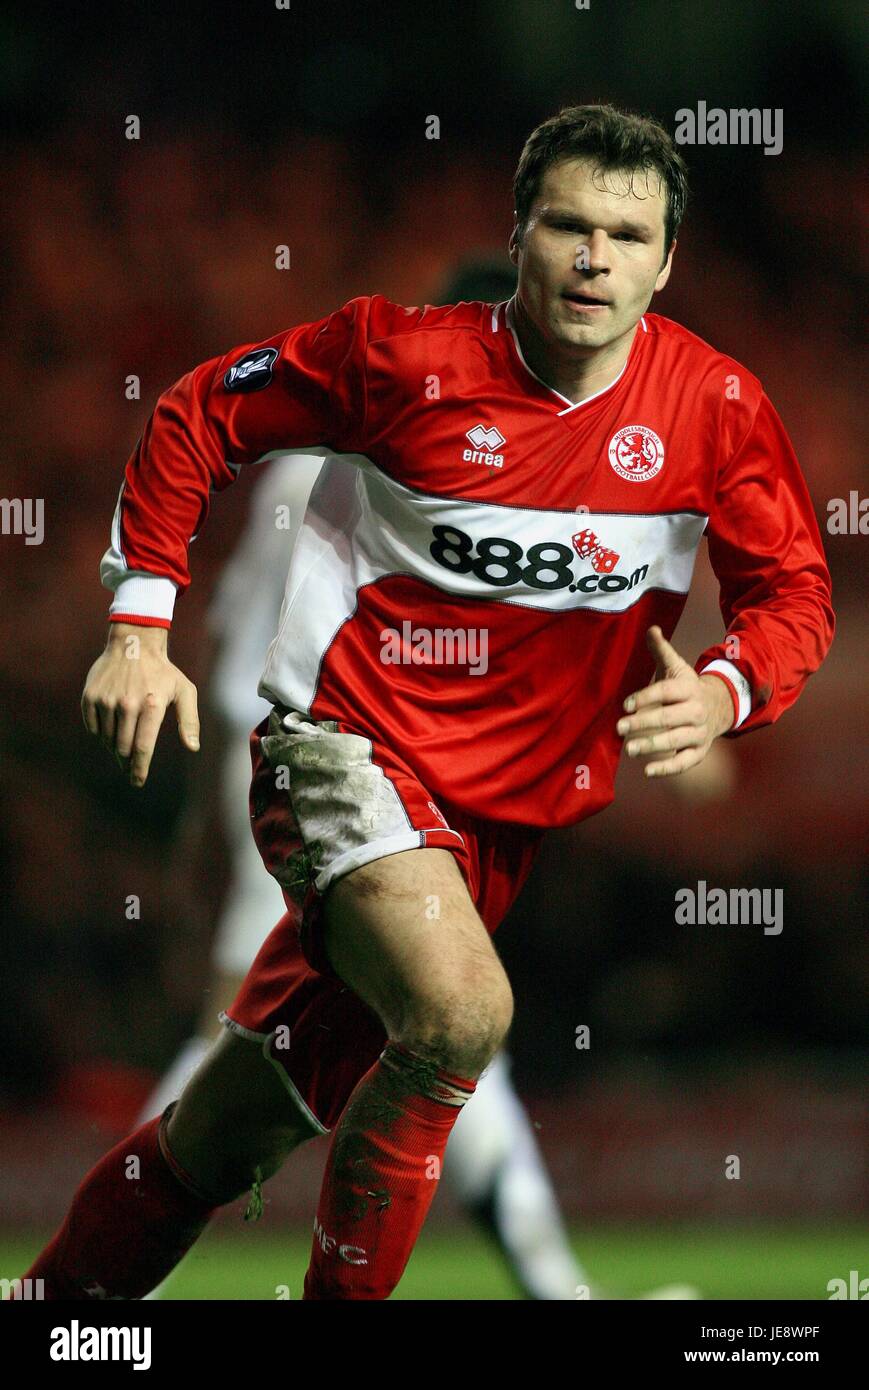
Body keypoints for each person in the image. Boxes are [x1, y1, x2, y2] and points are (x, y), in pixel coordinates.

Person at [19, 103, 833, 1301]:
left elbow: (793, 594)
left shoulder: (712, 411)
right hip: (340, 753)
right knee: (460, 1015)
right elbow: (201, 409)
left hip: (490, 829)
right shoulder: (401, 360)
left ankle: (51, 1314)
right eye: (566, 225)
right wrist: (137, 627)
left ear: (668, 261)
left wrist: (724, 690)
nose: (593, 257)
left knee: (230, 1126)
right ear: (518, 234)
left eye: (625, 233)